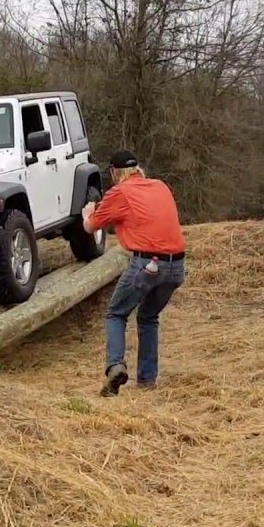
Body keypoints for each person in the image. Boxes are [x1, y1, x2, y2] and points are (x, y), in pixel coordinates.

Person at [81, 150, 187, 396]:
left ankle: (115, 365)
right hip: (177, 266)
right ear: (138, 168)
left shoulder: (119, 192)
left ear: (113, 172)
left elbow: (91, 227)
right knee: (148, 317)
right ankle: (147, 381)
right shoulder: (160, 186)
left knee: (116, 314)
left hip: (147, 264)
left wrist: (88, 212)